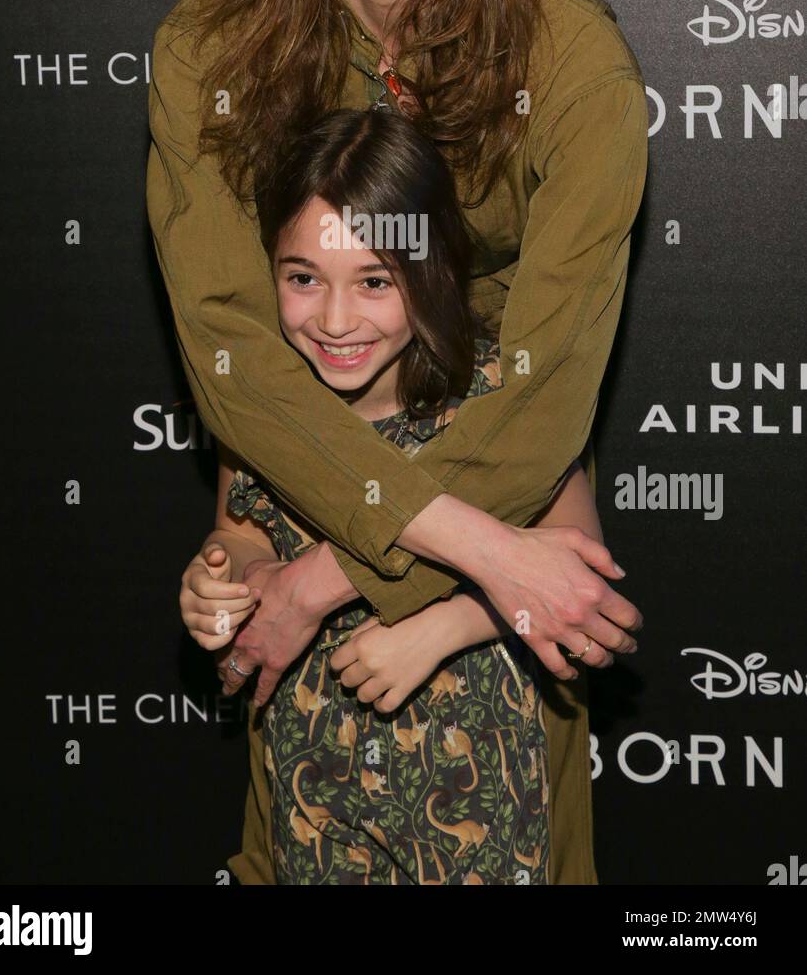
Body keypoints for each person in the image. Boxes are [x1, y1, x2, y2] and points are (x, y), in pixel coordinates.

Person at [147, 0, 648, 885]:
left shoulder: (572, 66)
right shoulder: (207, 46)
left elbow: (538, 402)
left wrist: (325, 576)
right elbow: (235, 361)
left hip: (495, 579)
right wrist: (265, 562)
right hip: (306, 523)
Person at [182, 106, 606, 885]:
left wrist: (440, 630)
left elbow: (578, 588)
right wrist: (219, 577)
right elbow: (242, 535)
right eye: (304, 279)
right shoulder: (265, 409)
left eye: (375, 281)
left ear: (430, 269)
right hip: (317, 802)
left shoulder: (498, 404)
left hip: (479, 813)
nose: (336, 320)